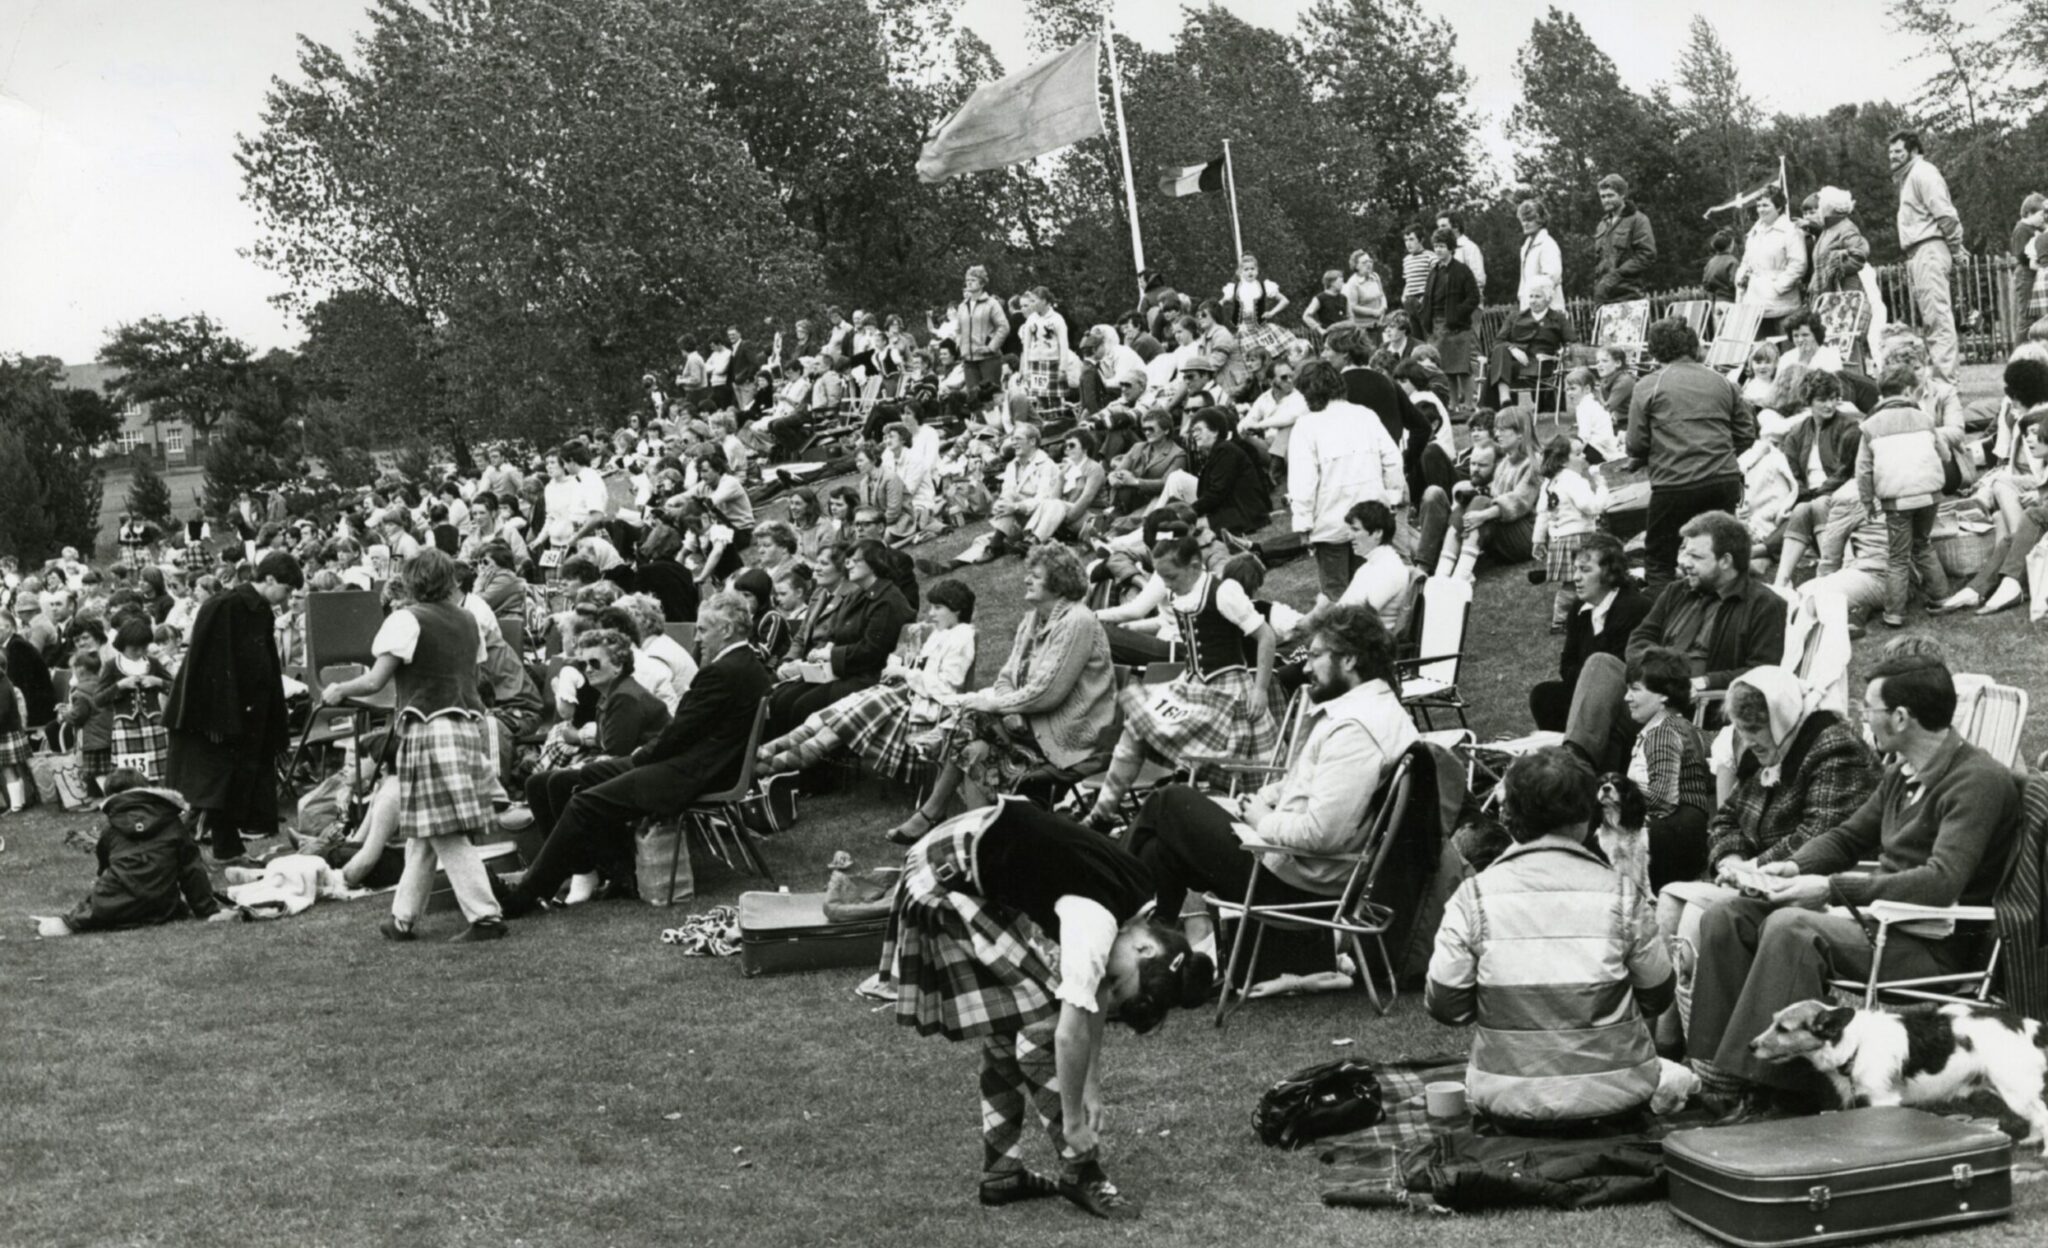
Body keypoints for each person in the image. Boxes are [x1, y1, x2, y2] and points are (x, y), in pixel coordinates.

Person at [1686, 655, 2019, 1109]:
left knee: (1792, 930)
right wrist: (1790, 869)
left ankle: (1777, 1092)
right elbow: (1848, 837)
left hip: (1931, 943)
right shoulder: (1901, 774)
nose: (1864, 717)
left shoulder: (1976, 781)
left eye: (1870, 708)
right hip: (1880, 924)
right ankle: (1718, 1074)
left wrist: (1831, 888)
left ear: (1901, 718)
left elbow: (1942, 881)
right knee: (1731, 914)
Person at [882, 797, 1212, 1221]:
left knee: (1009, 1027)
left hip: (960, 857)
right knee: (1041, 1023)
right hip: (944, 876)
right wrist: (1073, 1123)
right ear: (1147, 947)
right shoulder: (1094, 926)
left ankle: (1002, 1175)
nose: (1107, 983)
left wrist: (1091, 1083)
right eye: (1118, 981)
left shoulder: (1136, 901)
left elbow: (1094, 1000)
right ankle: (1081, 1170)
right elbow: (1067, 1032)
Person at [1124, 602, 1417, 978]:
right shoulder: (1369, 711)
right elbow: (1316, 785)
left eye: (1314, 656)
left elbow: (1322, 833)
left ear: (1350, 660)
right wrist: (1266, 799)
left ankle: (1106, 931)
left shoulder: (1356, 730)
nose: (1306, 667)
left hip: (1300, 883)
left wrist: (1263, 821)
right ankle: (1145, 971)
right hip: (1296, 867)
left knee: (1168, 802)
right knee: (1158, 848)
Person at [1427, 745, 1673, 1127]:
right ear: (1585, 818)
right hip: (1617, 1098)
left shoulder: (1474, 896)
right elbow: (1657, 992)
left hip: (1507, 1100)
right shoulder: (1623, 894)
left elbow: (1445, 1003)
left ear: (1509, 817)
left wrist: (1508, 1007)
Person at [497, 591, 773, 918]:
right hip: (695, 765)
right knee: (556, 781)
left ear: (725, 630)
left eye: (702, 629)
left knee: (583, 799)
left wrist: (639, 758)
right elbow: (683, 731)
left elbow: (679, 733)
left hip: (688, 773)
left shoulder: (723, 671)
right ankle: (606, 874)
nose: (697, 637)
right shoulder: (747, 667)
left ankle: (528, 894)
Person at [318, 550, 506, 942]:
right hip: (467, 726)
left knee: (445, 829)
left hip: (429, 728)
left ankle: (486, 916)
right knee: (426, 827)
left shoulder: (406, 620)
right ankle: (401, 918)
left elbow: (374, 681)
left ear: (412, 580)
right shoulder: (469, 619)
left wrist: (339, 689)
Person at [888, 545, 1116, 843]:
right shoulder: (1033, 619)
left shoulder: (1077, 621)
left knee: (973, 719)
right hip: (1030, 723)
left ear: (1058, 581)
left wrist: (999, 706)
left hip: (1070, 735)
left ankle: (943, 820)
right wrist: (1008, 708)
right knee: (975, 749)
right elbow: (1007, 676)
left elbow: (1050, 692)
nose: (1026, 581)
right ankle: (976, 839)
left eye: (1034, 576)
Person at [1081, 534, 1278, 830]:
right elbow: (1174, 622)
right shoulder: (1176, 592)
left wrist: (1260, 688)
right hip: (1193, 684)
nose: (1166, 583)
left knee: (1236, 774)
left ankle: (1200, 813)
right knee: (1135, 726)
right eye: (1161, 576)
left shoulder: (1223, 592)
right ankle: (1101, 813)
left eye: (1170, 576)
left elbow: (1266, 636)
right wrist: (1132, 627)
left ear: (1195, 565)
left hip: (1227, 689)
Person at [1564, 511, 1786, 771]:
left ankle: (1571, 779)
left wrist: (1703, 682)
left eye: (1696, 556)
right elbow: (1641, 637)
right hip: (1651, 692)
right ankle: (1573, 767)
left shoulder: (1763, 605)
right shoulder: (1677, 592)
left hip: (1697, 711)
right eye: (1685, 553)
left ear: (1726, 561)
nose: (1684, 563)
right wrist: (1654, 675)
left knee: (1603, 718)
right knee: (1600, 664)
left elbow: (1762, 673)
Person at [758, 577, 976, 780]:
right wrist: (899, 665)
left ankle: (759, 770)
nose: (930, 613)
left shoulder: (963, 637)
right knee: (824, 718)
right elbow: (919, 665)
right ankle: (763, 754)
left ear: (956, 609)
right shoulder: (941, 633)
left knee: (832, 731)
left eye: (938, 608)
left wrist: (905, 673)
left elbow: (947, 687)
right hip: (900, 691)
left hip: (922, 704)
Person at [164, 551, 301, 863]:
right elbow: (204, 668)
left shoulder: (260, 611)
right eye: (288, 589)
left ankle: (228, 851)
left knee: (228, 787)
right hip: (213, 718)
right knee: (208, 789)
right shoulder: (223, 606)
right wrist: (214, 722)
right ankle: (172, 852)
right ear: (269, 579)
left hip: (243, 716)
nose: (288, 597)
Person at [1627, 318, 1756, 593]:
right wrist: (1718, 454)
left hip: (1674, 484)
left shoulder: (1649, 385)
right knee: (1721, 552)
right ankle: (1732, 611)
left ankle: (1667, 619)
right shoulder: (1723, 381)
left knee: (1660, 559)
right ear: (1694, 346)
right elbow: (1746, 433)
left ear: (1655, 351)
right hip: (1723, 480)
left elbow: (1636, 444)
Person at [31, 775, 234, 936]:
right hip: (162, 908)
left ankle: (68, 923)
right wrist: (206, 910)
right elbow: (192, 871)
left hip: (112, 904)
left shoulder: (110, 828)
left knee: (94, 907)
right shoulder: (173, 823)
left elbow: (104, 867)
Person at [764, 539, 913, 735]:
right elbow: (836, 632)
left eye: (854, 560)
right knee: (781, 698)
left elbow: (872, 652)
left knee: (802, 706)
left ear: (873, 563)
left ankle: (801, 761)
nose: (848, 564)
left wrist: (830, 654)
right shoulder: (858, 595)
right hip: (841, 669)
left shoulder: (886, 600)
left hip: (867, 676)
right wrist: (824, 651)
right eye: (847, 559)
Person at [1286, 360, 1405, 602]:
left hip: (1330, 525)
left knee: (1336, 596)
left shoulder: (1306, 425)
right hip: (1369, 520)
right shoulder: (1366, 415)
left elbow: (1303, 481)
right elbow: (1393, 460)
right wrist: (1390, 500)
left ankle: (1342, 639)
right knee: (1371, 593)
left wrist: (1303, 523)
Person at [1856, 354, 1953, 627]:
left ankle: (1895, 611)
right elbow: (1945, 455)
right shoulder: (1924, 418)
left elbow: (1863, 470)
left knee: (1898, 556)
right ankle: (1941, 596)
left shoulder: (1870, 426)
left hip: (1897, 499)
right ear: (1909, 390)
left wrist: (1866, 501)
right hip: (1930, 494)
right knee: (1922, 544)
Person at [1528, 533, 1651, 732]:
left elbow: (1619, 671)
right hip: (1585, 692)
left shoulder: (1634, 608)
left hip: (1625, 700)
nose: (1576, 577)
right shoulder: (1579, 609)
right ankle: (1564, 755)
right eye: (1576, 569)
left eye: (1585, 570)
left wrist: (1584, 674)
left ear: (1610, 573)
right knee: (1544, 695)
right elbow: (1566, 665)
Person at [1622, 646, 1715, 892]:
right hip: (1682, 833)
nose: (1626, 697)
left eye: (1635, 689)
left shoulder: (1663, 733)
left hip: (1671, 836)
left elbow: (1663, 800)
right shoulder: (1677, 726)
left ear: (1663, 695)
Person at [1428, 405, 1540, 582]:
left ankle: (1461, 575)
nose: (1497, 434)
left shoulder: (1533, 463)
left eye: (1503, 430)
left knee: (1480, 503)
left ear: (1520, 433)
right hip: (1505, 529)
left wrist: (1483, 514)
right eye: (1496, 429)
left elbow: (1519, 502)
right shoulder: (1505, 462)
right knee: (1466, 504)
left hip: (1528, 537)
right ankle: (1442, 573)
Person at [1890, 130, 1968, 382]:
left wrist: (1956, 249)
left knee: (1938, 319)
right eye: (1890, 153)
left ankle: (1946, 383)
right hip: (1919, 252)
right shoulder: (1908, 177)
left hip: (1929, 248)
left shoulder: (1923, 173)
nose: (1892, 157)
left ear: (1913, 151)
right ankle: (1941, 379)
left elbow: (1946, 215)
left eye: (1898, 152)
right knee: (1932, 318)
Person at [1531, 435, 1610, 630]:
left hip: (1558, 540)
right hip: (1579, 538)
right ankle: (1568, 618)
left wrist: (1538, 540)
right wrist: (1602, 487)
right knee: (1582, 581)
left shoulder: (1549, 483)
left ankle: (1566, 617)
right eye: (1577, 453)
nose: (1583, 456)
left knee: (1571, 583)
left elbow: (1542, 514)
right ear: (1563, 460)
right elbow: (1590, 507)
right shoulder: (1575, 480)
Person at [1481, 278, 1574, 409]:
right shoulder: (1515, 317)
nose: (1533, 300)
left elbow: (1571, 341)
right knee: (1501, 349)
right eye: (1531, 296)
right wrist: (1513, 349)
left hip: (1542, 364)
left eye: (1538, 296)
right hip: (1514, 364)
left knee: (1497, 363)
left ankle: (1499, 404)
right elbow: (1498, 341)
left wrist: (1565, 354)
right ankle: (1505, 399)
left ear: (1548, 299)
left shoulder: (1558, 319)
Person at [1418, 227, 1480, 411]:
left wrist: (1458, 313)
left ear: (1451, 248)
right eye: (1436, 246)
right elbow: (1428, 297)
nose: (1438, 250)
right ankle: (1452, 405)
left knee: (1462, 368)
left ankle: (1469, 405)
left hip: (1457, 326)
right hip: (1437, 325)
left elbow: (1474, 297)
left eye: (1442, 246)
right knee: (1446, 369)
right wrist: (1424, 314)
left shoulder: (1462, 271)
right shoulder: (1434, 271)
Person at [1734, 187, 1809, 337]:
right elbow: (1746, 261)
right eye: (1759, 205)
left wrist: (1778, 287)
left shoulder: (1791, 231)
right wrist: (1741, 280)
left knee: (1786, 349)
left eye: (1766, 205)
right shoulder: (1754, 233)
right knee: (1761, 351)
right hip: (1755, 303)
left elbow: (1799, 264)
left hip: (1783, 303)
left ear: (1779, 207)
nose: (1761, 210)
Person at [1336, 501, 1411, 633]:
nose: (1349, 536)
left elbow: (1356, 620)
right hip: (1350, 637)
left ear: (1377, 533)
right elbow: (1342, 609)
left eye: (1355, 529)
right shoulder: (1370, 566)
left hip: (1366, 646)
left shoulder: (1389, 569)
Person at [1106, 408, 1188, 517]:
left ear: (1166, 430)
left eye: (1151, 429)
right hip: (1127, 502)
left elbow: (1166, 484)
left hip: (1155, 504)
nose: (1147, 433)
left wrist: (1134, 481)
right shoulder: (1138, 447)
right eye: (1144, 429)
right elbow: (1118, 471)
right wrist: (1112, 476)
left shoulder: (1178, 455)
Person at [1592, 174, 1657, 303]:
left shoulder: (1638, 220)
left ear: (1622, 195)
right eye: (1603, 196)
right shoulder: (1602, 225)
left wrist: (1617, 275)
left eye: (1610, 195)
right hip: (1604, 296)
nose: (1606, 200)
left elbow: (1647, 255)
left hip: (1629, 295)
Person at [1516, 199, 1564, 312]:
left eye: (1530, 220)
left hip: (1548, 308)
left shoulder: (1547, 244)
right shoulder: (1526, 247)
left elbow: (1551, 276)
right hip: (1530, 307)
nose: (1525, 224)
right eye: (1523, 220)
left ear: (1540, 220)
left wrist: (1537, 298)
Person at [1342, 249, 1387, 333]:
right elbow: (1353, 306)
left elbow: (1382, 294)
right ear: (1356, 266)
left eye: (1369, 261)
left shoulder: (1375, 276)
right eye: (1364, 262)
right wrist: (1373, 312)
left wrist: (1383, 308)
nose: (1368, 264)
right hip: (1363, 327)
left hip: (1379, 323)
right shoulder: (1353, 283)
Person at [1701, 229, 1738, 303]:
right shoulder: (1733, 262)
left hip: (1714, 302)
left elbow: (1705, 283)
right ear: (1730, 246)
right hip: (1730, 301)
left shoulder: (1710, 262)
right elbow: (1735, 283)